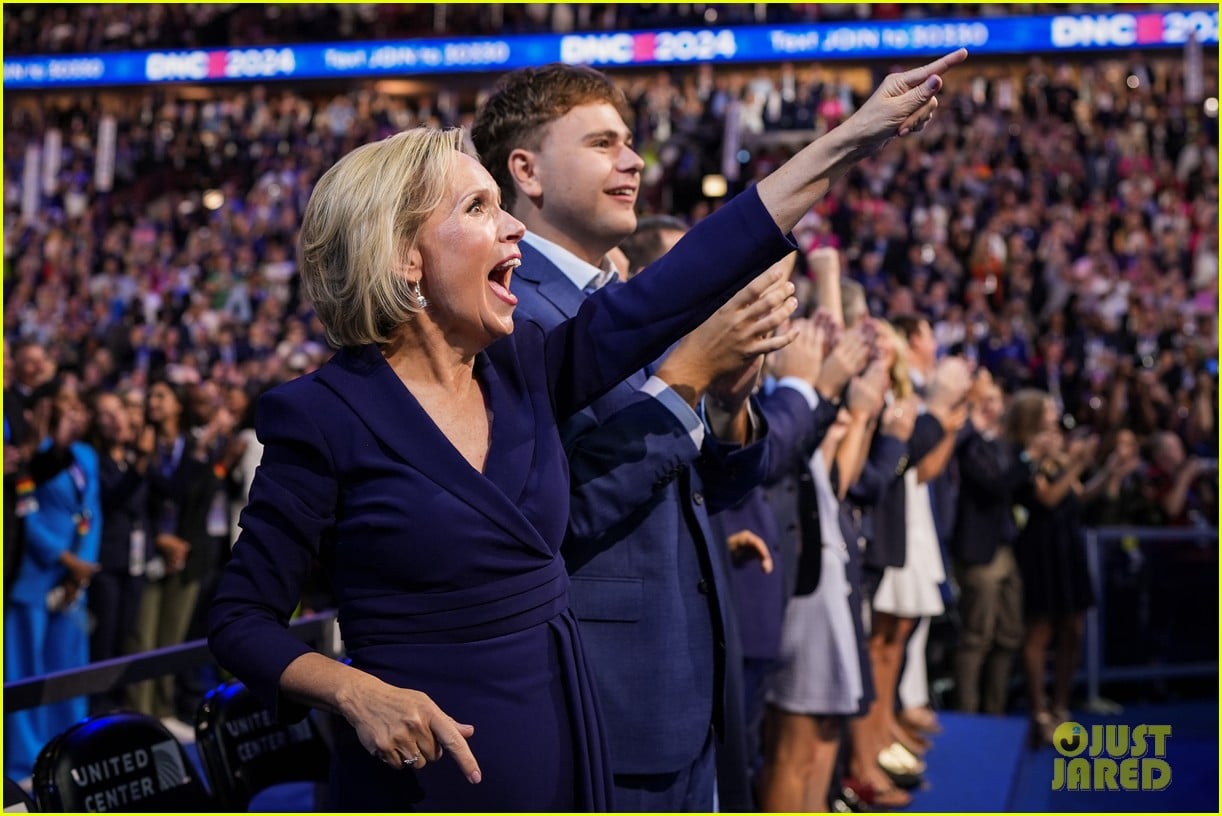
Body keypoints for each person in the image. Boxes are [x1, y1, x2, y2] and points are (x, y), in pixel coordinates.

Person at [210, 48, 967, 812]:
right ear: (406, 256)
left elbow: (687, 275)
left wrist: (848, 139)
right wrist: (350, 691)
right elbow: (240, 619)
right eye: (477, 209)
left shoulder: (527, 365)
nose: (510, 226)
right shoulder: (321, 416)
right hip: (424, 781)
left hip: (570, 749)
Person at [3, 381, 100, 781]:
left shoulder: (81, 455)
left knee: (66, 661)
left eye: (80, 404)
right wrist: (64, 558)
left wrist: (82, 564)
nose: (75, 411)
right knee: (25, 666)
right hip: (33, 571)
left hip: (73, 574)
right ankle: (25, 756)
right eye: (66, 403)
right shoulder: (32, 452)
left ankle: (68, 742)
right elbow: (28, 514)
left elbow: (90, 511)